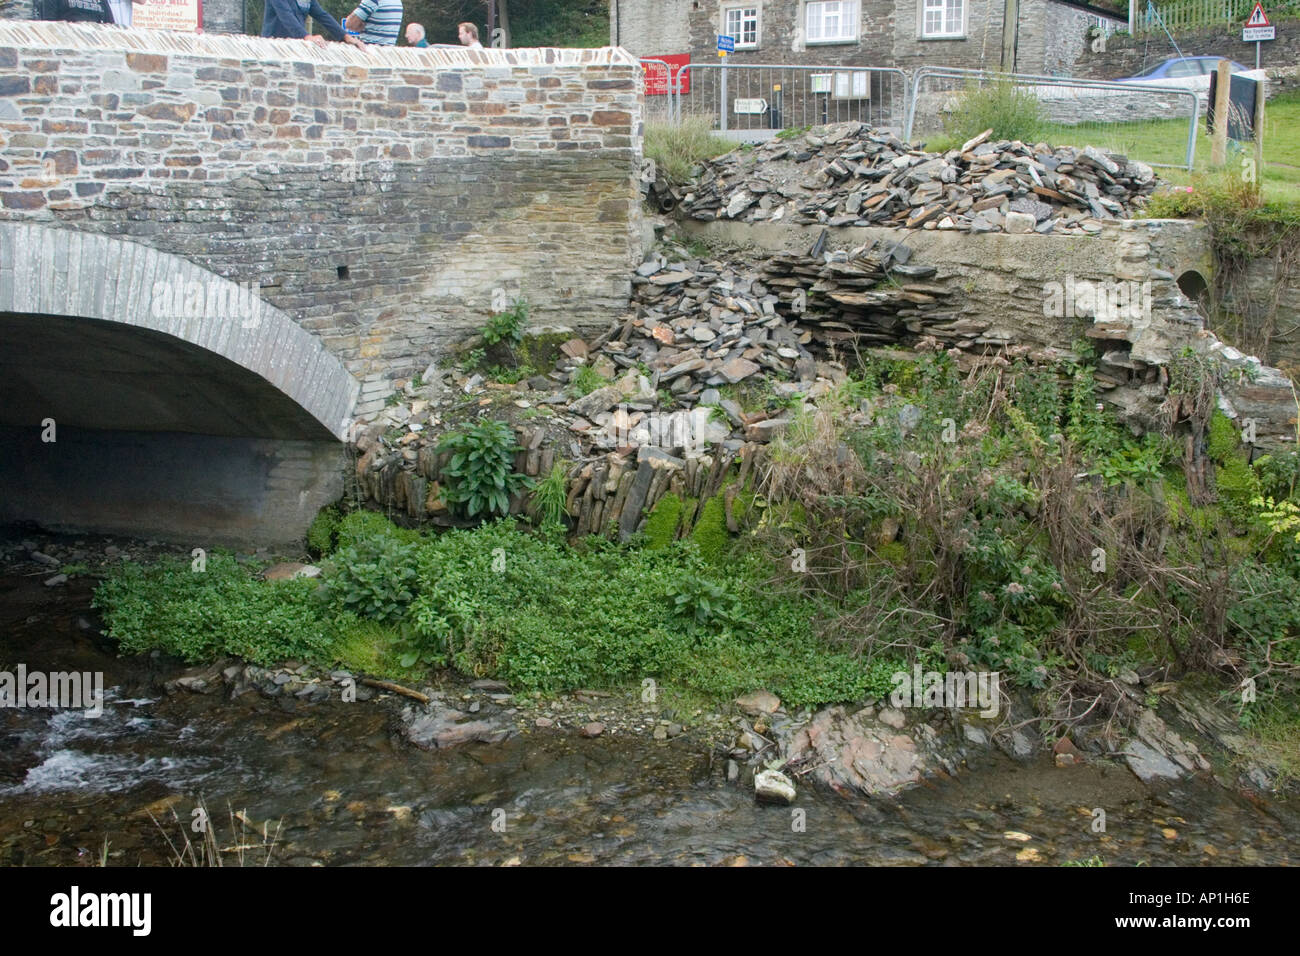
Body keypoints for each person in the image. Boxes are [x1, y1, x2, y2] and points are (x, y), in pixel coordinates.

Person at [262, 0, 365, 47]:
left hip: (297, 46)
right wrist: (306, 36)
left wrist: (345, 36)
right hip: (275, 46)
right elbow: (286, 15)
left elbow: (321, 15)